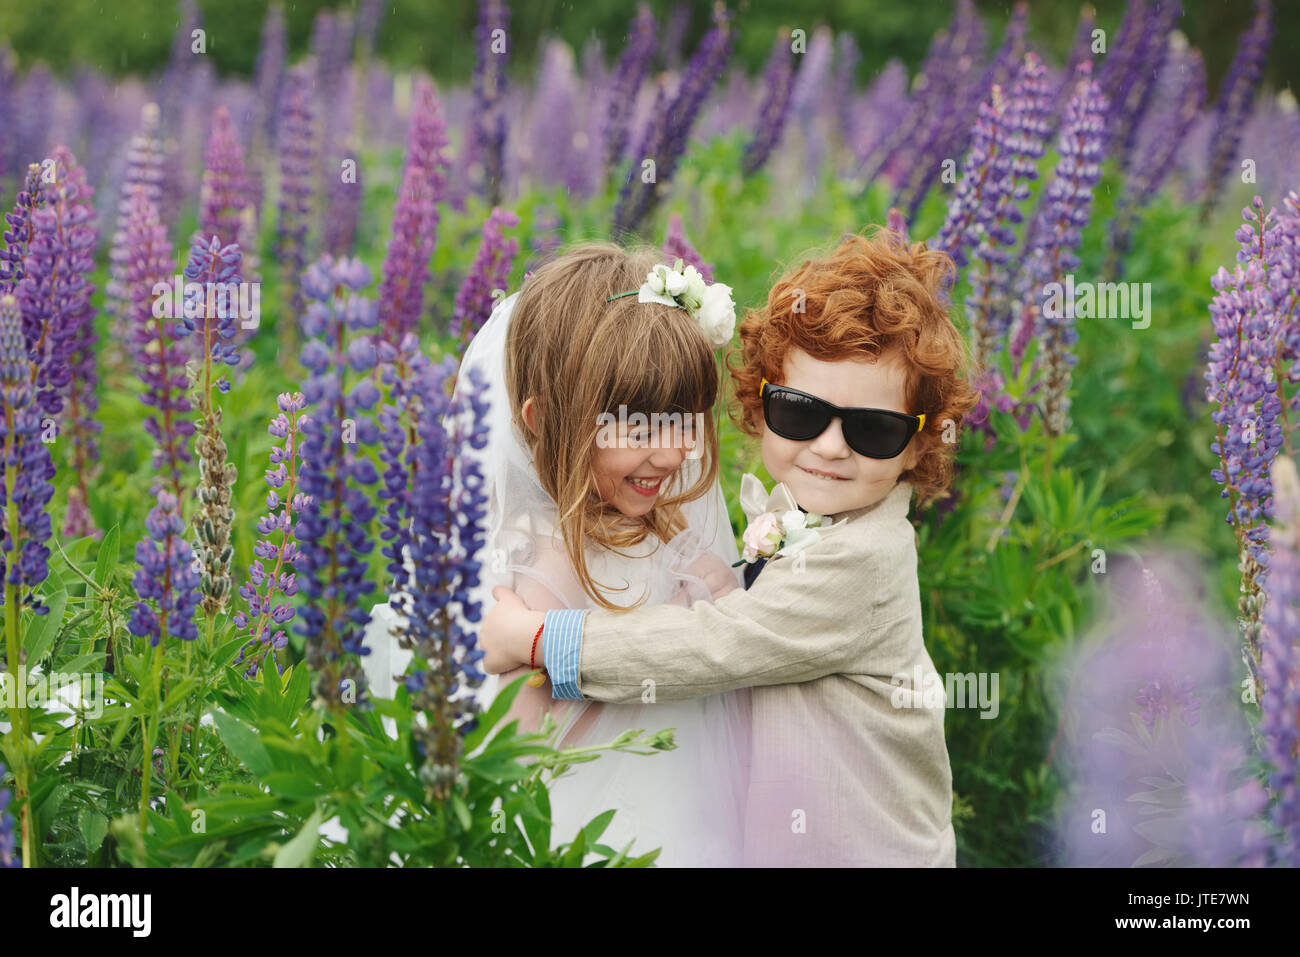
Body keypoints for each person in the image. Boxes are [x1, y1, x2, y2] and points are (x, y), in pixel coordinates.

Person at [481, 229, 978, 866]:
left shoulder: (865, 558)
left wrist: (538, 639)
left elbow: (713, 644)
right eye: (800, 413)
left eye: (874, 429)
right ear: (760, 402)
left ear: (919, 445)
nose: (829, 447)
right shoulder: (815, 509)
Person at [362, 242, 752, 866]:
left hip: (684, 818)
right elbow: (509, 767)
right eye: (636, 426)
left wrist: (720, 591)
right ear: (542, 420)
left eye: (683, 420)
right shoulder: (535, 567)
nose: (671, 452)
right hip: (583, 834)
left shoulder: (665, 537)